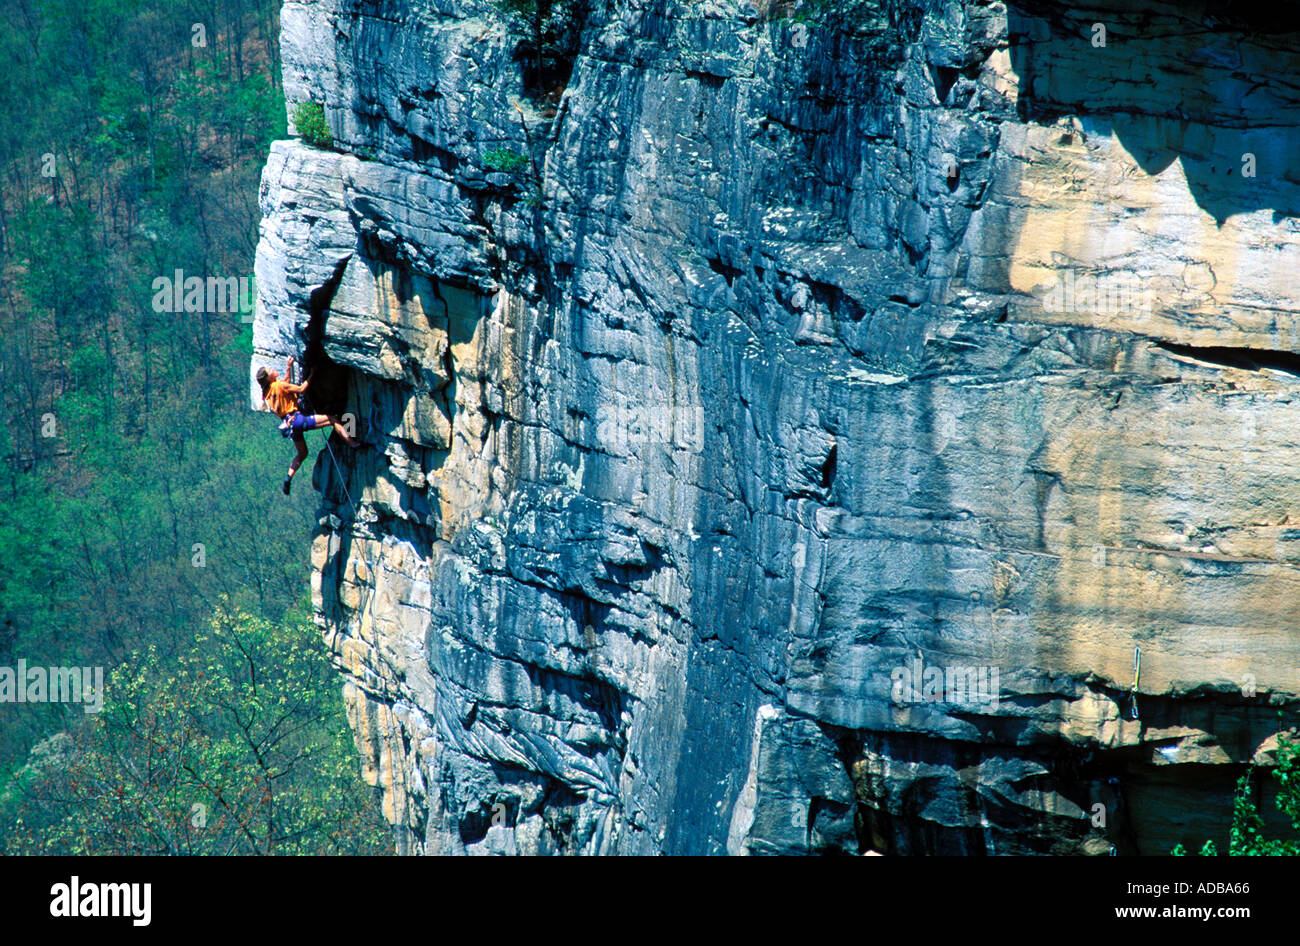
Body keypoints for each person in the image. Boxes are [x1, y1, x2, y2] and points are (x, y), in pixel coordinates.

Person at [256, 356, 360, 495]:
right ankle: (353, 444)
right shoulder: (279, 385)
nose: (273, 369)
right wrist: (312, 374)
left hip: (290, 426)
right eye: (270, 370)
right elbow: (301, 389)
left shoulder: (268, 394)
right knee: (333, 419)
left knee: (302, 454)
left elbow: (285, 385)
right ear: (269, 378)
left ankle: (288, 478)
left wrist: (289, 367)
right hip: (298, 419)